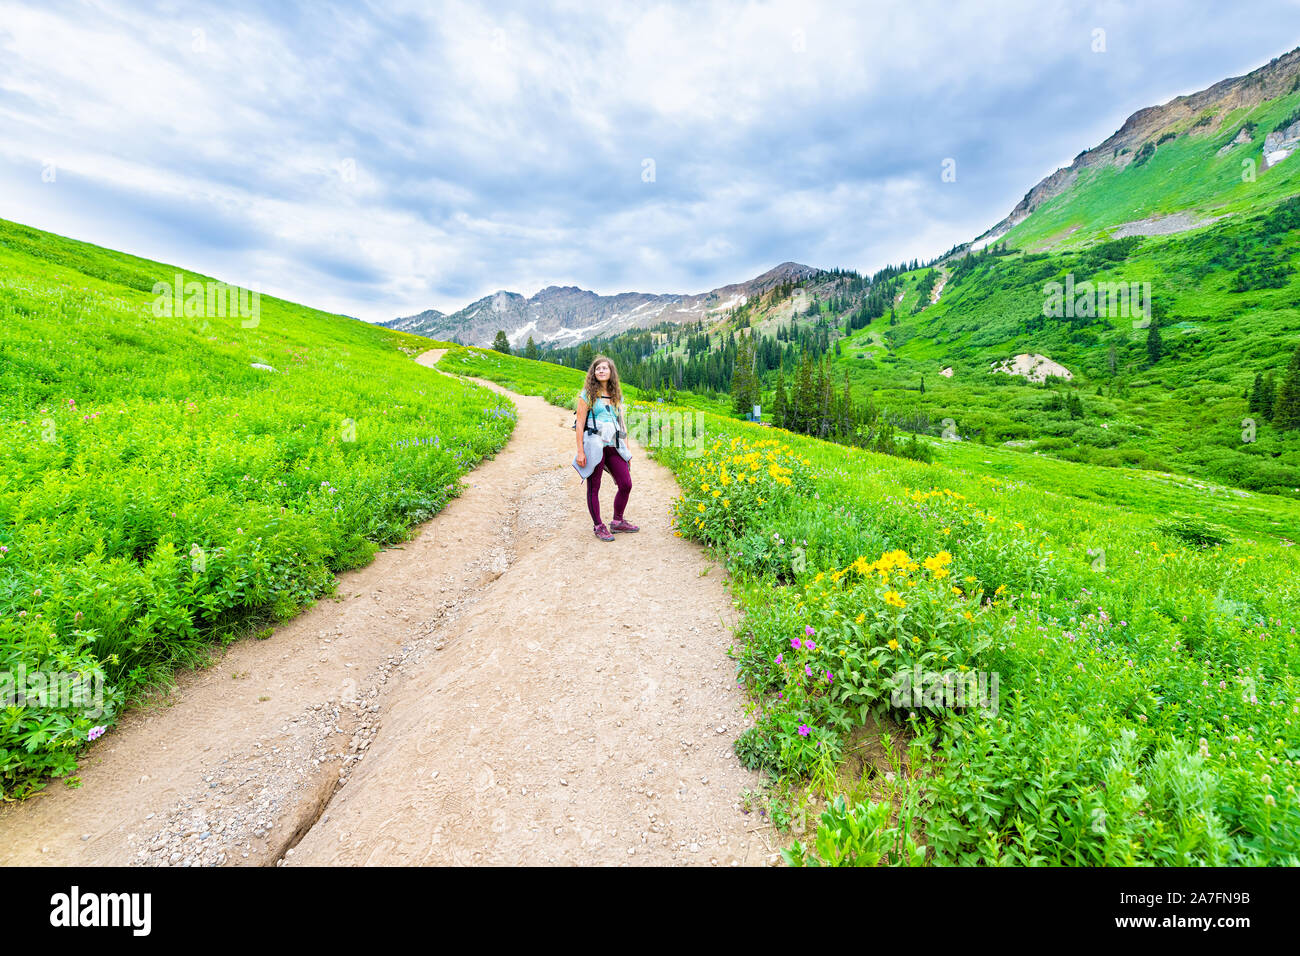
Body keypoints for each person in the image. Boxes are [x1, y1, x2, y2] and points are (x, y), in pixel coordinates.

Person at [574, 355, 638, 541]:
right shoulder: (587, 394)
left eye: (605, 368)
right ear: (594, 373)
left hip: (614, 445)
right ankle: (598, 526)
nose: (601, 371)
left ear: (611, 372)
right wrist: (580, 451)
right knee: (594, 487)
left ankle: (618, 521)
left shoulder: (616, 395)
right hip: (594, 445)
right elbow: (580, 423)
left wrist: (627, 450)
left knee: (626, 484)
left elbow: (621, 424)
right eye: (598, 368)